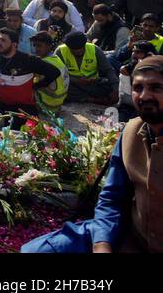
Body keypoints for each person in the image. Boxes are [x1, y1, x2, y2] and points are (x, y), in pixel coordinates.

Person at [23, 55, 163, 252]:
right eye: (138, 88)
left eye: (156, 88)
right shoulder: (132, 131)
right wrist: (102, 244)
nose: (144, 96)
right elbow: (113, 198)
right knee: (37, 250)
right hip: (133, 237)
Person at [0, 27, 63, 122]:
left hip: (22, 107)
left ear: (14, 45)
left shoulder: (28, 60)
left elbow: (54, 72)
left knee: (25, 133)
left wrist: (36, 86)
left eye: (3, 40)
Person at [55, 31, 118, 105]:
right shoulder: (60, 51)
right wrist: (75, 81)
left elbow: (108, 70)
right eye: (74, 51)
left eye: (80, 49)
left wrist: (115, 89)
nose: (78, 52)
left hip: (92, 83)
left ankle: (83, 97)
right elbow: (57, 73)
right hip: (71, 84)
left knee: (108, 85)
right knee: (59, 87)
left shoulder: (95, 49)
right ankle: (91, 99)